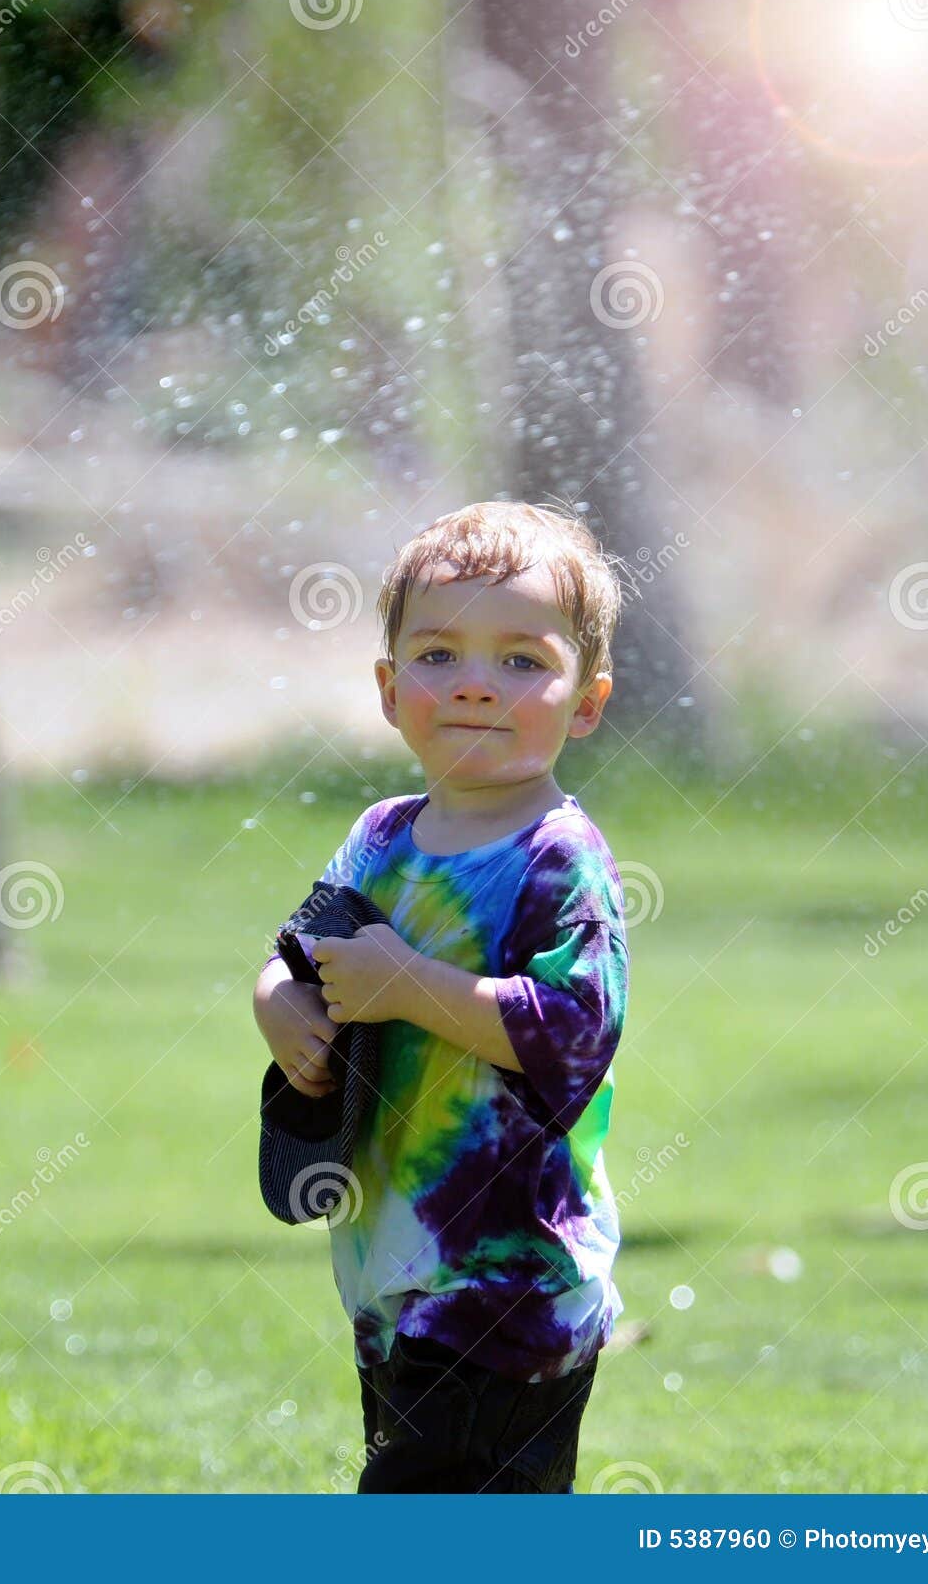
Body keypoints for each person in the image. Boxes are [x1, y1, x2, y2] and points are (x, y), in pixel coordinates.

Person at [251, 499, 632, 1493]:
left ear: (584, 703)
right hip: (391, 1269)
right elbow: (301, 951)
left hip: (509, 1278)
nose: (473, 686)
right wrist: (277, 1005)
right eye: (437, 656)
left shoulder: (559, 858)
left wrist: (409, 987)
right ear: (387, 688)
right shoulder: (382, 835)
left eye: (519, 661)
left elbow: (576, 1034)